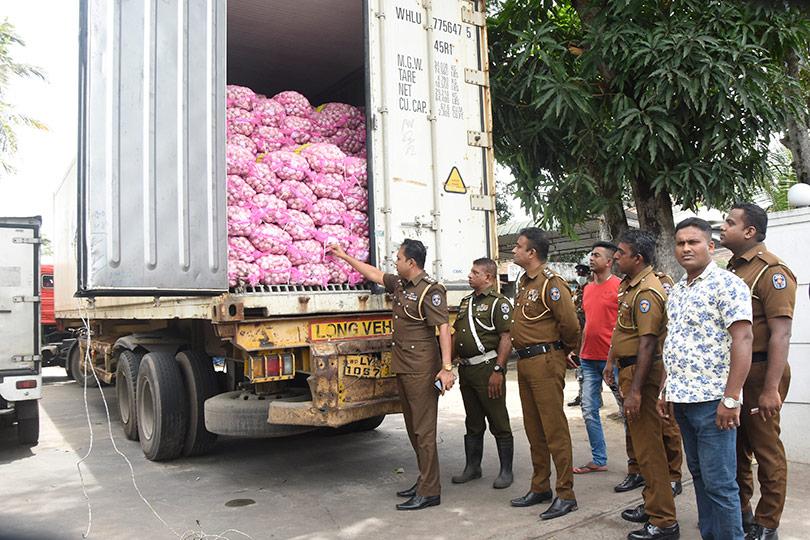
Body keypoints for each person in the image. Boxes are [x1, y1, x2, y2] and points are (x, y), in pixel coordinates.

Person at [327, 239, 456, 511]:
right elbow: (373, 273)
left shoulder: (430, 291)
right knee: (413, 429)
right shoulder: (401, 284)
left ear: (411, 262)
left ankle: (430, 490)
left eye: (398, 258)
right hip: (404, 366)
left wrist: (446, 368)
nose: (395, 262)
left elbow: (443, 329)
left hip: (421, 369)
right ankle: (424, 480)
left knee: (424, 431)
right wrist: (343, 255)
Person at [659, 217, 753, 539]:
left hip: (714, 403)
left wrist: (731, 398)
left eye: (693, 242)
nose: (686, 248)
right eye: (681, 243)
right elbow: (675, 344)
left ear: (710, 246)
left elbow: (743, 340)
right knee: (698, 477)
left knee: (721, 484)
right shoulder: (678, 291)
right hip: (683, 401)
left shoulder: (728, 285)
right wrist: (664, 390)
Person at [720, 203, 797, 540]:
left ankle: (768, 522)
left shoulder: (772, 271)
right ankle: (742, 512)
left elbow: (781, 333)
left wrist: (771, 389)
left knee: (766, 450)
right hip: (734, 372)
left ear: (749, 232)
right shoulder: (732, 271)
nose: (722, 227)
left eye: (729, 222)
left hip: (762, 370)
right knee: (734, 448)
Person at [607, 230, 679, 540]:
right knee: (643, 446)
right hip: (630, 371)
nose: (615, 258)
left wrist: (635, 391)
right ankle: (653, 506)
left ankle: (663, 521)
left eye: (621, 253)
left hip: (642, 375)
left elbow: (648, 344)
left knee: (649, 450)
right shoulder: (631, 286)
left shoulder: (647, 291)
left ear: (638, 259)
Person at [509, 227, 581, 520]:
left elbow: (570, 324)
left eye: (518, 246)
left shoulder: (552, 284)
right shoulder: (524, 283)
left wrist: (565, 350)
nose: (513, 251)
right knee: (534, 428)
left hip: (545, 360)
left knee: (554, 429)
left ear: (532, 253)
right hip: (525, 362)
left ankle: (566, 493)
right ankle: (540, 486)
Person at [612, 270, 684, 497]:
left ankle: (671, 478)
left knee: (664, 428)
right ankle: (641, 477)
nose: (616, 259)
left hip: (654, 364)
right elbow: (621, 329)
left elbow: (651, 338)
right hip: (627, 366)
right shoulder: (626, 286)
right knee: (637, 429)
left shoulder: (656, 285)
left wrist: (637, 389)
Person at [451, 258, 514, 489]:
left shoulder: (499, 303)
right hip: (467, 370)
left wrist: (499, 369)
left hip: (487, 368)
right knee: (473, 421)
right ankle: (473, 467)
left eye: (474, 272)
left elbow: (507, 337)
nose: (469, 275)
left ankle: (506, 471)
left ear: (487, 277)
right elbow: (457, 332)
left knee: (498, 420)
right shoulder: (466, 302)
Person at [570, 242, 621, 475]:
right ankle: (599, 458)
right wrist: (577, 350)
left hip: (613, 360)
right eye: (591, 254)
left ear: (609, 262)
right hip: (588, 359)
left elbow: (623, 327)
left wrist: (615, 357)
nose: (591, 259)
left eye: (597, 255)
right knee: (589, 410)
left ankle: (637, 462)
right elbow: (587, 323)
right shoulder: (588, 289)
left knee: (628, 412)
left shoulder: (620, 287)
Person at [567, 263, 591, 407]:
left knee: (588, 368)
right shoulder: (578, 291)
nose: (580, 277)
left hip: (587, 333)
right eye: (578, 274)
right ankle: (582, 395)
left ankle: (590, 396)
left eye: (582, 274)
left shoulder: (589, 288)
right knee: (580, 366)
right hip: (579, 334)